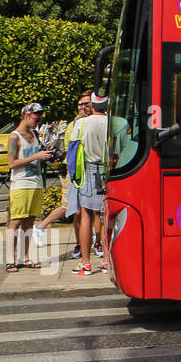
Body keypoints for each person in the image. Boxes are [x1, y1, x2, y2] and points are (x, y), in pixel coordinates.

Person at [31, 92, 91, 258]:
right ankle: (41, 227)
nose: (85, 107)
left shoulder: (83, 122)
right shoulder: (75, 124)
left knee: (80, 208)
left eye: (88, 104)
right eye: (83, 104)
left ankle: (84, 241)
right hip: (71, 170)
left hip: (78, 169)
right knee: (69, 206)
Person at [6, 102, 54, 271]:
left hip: (36, 182)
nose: (38, 119)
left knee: (30, 220)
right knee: (16, 220)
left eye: (40, 115)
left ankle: (25, 257)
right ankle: (10, 259)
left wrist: (48, 155)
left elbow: (38, 155)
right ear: (26, 116)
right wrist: (36, 156)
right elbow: (11, 164)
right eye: (36, 116)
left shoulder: (35, 133)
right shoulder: (14, 137)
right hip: (21, 184)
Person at [73, 94, 111, 275]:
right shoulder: (114, 123)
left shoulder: (81, 123)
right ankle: (106, 261)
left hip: (88, 168)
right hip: (110, 169)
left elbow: (73, 147)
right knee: (106, 216)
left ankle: (86, 263)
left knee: (86, 215)